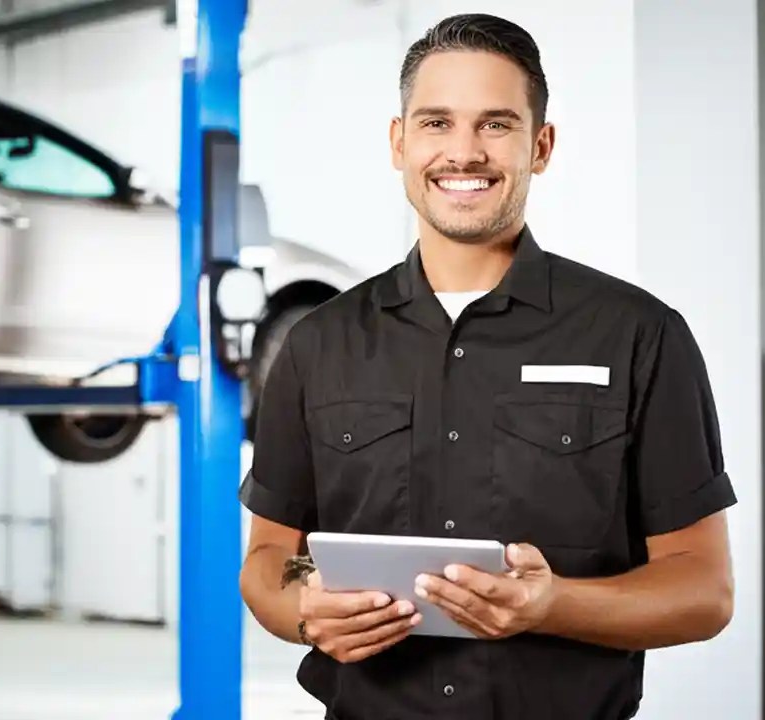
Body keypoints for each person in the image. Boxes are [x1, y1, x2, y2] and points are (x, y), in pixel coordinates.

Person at [238, 12, 736, 720]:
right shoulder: (319, 343)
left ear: (541, 146)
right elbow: (266, 561)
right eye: (436, 123)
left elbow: (704, 591)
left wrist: (553, 604)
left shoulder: (638, 335)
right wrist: (305, 611)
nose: (463, 153)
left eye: (495, 124)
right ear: (398, 142)